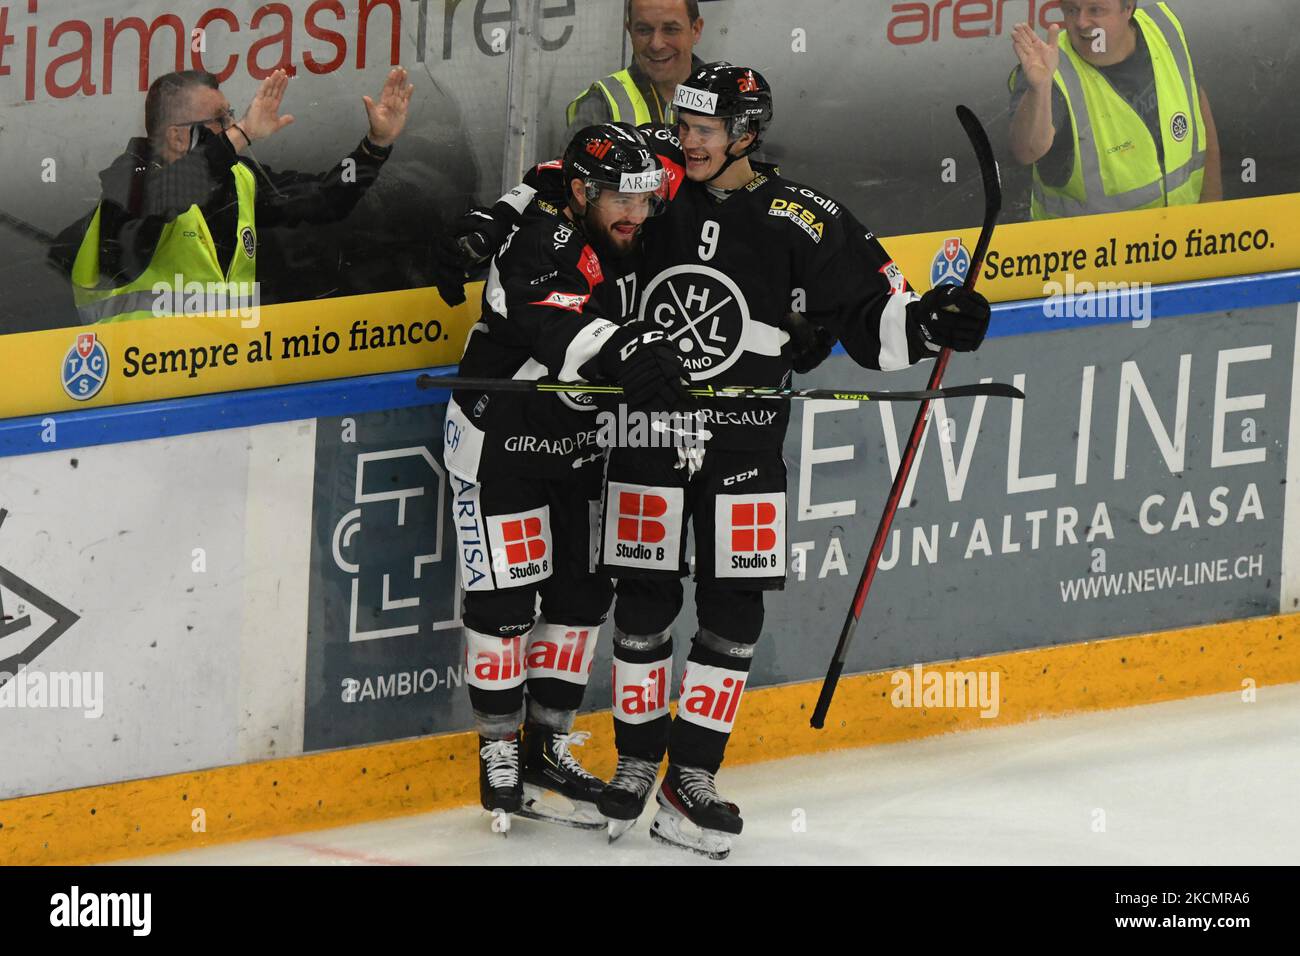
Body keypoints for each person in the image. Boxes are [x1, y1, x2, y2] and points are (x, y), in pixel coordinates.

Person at [445, 64, 991, 859]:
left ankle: (690, 776)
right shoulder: (653, 187)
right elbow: (567, 177)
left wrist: (936, 321)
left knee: (735, 607)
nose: (686, 140)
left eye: (704, 129)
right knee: (641, 599)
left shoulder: (804, 215)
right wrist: (499, 219)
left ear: (747, 133)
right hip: (640, 433)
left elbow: (877, 325)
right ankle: (634, 765)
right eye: (682, 123)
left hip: (744, 439)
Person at [442, 123, 689, 833]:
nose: (638, 216)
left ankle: (548, 748)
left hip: (580, 443)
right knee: (504, 603)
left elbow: (659, 157)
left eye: (647, 201)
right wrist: (628, 347)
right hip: (503, 439)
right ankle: (499, 755)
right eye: (623, 202)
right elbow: (557, 327)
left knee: (581, 598)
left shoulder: (602, 200)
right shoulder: (536, 243)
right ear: (583, 195)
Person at [60, 67, 413, 323]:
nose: (231, 126)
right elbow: (158, 201)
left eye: (231, 116)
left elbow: (325, 198)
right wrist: (243, 133)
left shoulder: (238, 178)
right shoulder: (128, 177)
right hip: (135, 384)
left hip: (225, 376)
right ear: (178, 137)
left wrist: (375, 146)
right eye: (220, 119)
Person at [1008, 0, 1222, 220]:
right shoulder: (1047, 68)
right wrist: (1039, 88)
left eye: (1095, 10)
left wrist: (1211, 216)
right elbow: (1027, 151)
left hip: (1186, 239)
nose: (1081, 22)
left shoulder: (1162, 29)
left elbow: (1197, 107)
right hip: (1093, 250)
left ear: (1128, 8)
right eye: (1072, 10)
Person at [564, 0, 706, 142]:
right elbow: (570, 164)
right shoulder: (602, 102)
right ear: (630, 31)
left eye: (670, 29)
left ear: (696, 29)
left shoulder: (723, 96)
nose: (656, 44)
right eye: (644, 30)